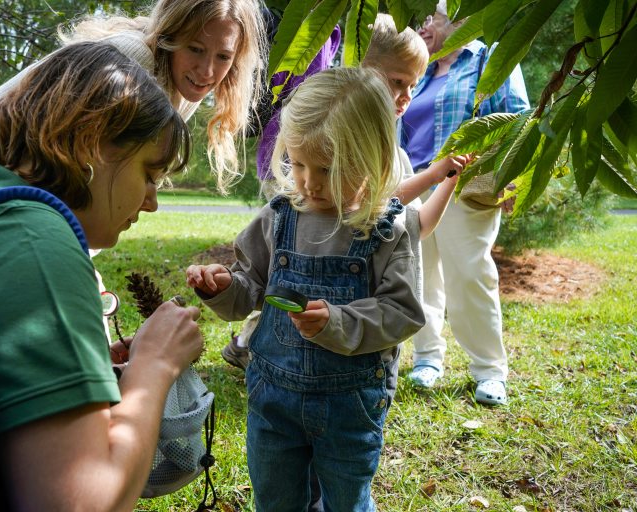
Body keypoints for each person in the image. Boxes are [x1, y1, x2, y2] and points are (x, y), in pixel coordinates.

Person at [0, 41, 204, 510]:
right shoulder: (34, 241)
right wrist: (155, 365)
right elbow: (85, 501)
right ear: (92, 145)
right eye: (148, 173)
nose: (151, 201)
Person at [186, 67, 425, 511]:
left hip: (350, 407)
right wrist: (221, 287)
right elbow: (249, 290)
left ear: (371, 157)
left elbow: (402, 310)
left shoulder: (388, 229)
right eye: (297, 164)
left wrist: (339, 322)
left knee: (346, 501)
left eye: (328, 169)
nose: (309, 182)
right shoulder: (278, 219)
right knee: (276, 498)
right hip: (274, 402)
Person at [0, 0, 266, 194]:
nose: (207, 71)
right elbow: (83, 171)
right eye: (195, 48)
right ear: (170, 37)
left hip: (15, 181)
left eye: (223, 57)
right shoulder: (134, 62)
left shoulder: (183, 84)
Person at [400, 0, 530, 405]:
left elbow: (519, 119)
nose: (421, 26)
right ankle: (426, 358)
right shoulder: (419, 72)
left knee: (470, 274)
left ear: (456, 21)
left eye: (430, 19)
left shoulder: (489, 59)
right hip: (415, 181)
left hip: (464, 183)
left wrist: (513, 180)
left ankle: (490, 370)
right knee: (418, 275)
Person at [221, 20, 342, 371]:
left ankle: (250, 341)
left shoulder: (330, 26)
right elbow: (251, 276)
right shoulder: (302, 24)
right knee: (288, 259)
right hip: (288, 155)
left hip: (301, 153)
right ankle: (254, 342)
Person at [361, 12, 473, 301]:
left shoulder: (397, 156)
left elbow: (419, 224)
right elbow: (369, 203)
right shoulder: (349, 142)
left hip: (378, 300)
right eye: (398, 81)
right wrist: (433, 174)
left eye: (413, 85)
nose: (406, 95)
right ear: (361, 70)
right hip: (345, 293)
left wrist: (450, 178)